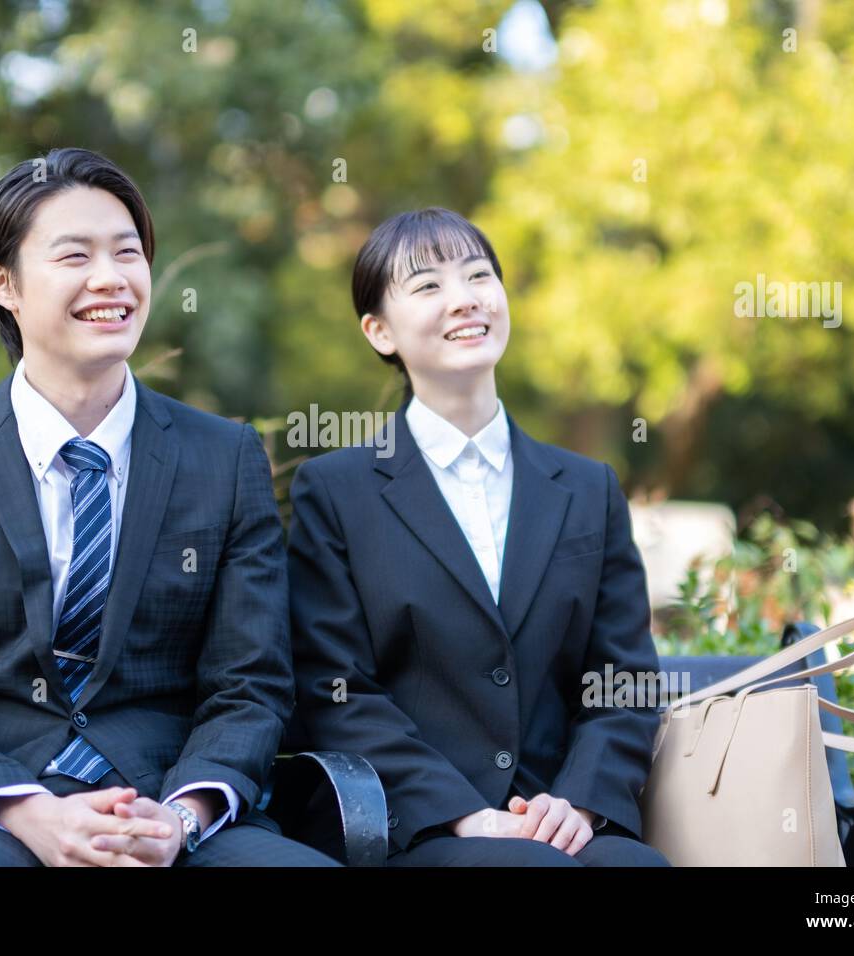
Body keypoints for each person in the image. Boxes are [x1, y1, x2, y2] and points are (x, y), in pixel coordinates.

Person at [0, 147, 337, 867]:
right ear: (3, 284)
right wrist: (29, 811)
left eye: (128, 253)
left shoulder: (223, 460)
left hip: (171, 811)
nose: (111, 279)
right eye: (74, 256)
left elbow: (250, 684)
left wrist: (182, 817)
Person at [287, 207, 670, 866]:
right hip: (423, 828)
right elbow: (335, 688)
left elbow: (622, 678)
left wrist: (578, 801)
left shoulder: (587, 488)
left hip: (562, 818)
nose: (465, 299)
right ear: (379, 332)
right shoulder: (335, 491)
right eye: (428, 285)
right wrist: (461, 814)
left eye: (478, 275)